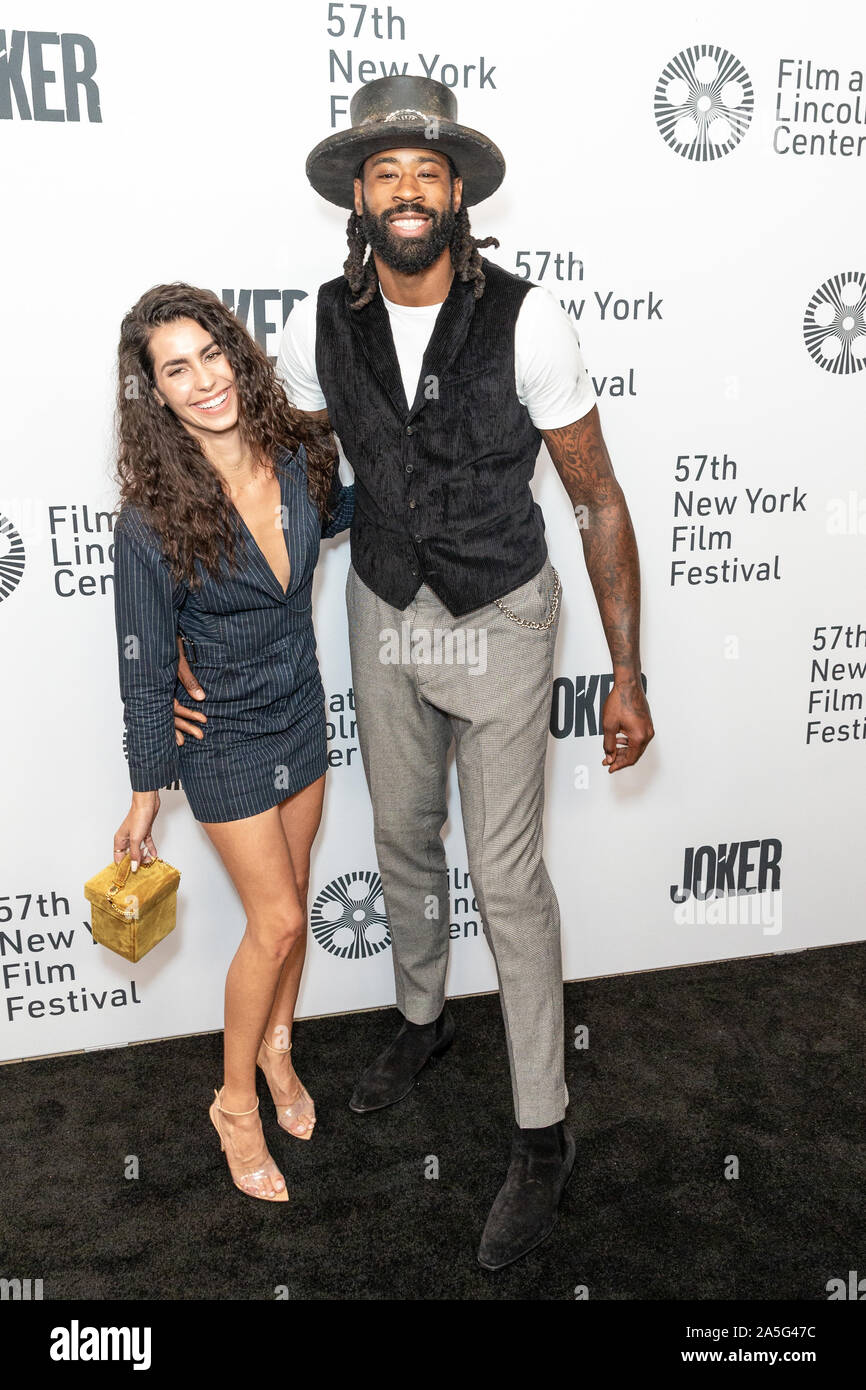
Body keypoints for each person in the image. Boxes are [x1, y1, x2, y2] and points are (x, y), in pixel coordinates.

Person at [174, 75, 655, 1269]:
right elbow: (265, 478)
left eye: (426, 173)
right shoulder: (317, 325)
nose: (405, 191)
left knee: (506, 879)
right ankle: (423, 1017)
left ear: (457, 197)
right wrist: (194, 623)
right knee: (398, 836)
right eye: (383, 171)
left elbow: (594, 499)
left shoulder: (530, 323)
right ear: (357, 195)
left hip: (496, 614)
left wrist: (628, 673)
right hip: (386, 609)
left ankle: (541, 1129)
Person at [112, 282, 353, 1204]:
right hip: (221, 736)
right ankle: (235, 1102)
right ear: (156, 393)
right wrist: (146, 791)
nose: (205, 379)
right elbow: (141, 662)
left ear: (237, 352)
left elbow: (349, 519)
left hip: (300, 705)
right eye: (177, 369)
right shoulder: (150, 518)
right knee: (280, 922)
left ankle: (282, 1049)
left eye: (212, 353)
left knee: (292, 906)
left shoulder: (299, 456)